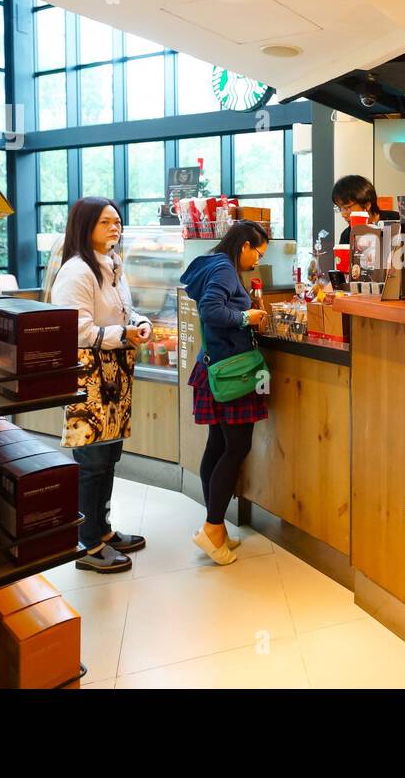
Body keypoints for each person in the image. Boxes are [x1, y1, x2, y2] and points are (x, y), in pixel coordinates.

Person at [50, 197, 150, 574]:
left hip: (115, 372)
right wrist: (124, 333)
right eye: (106, 222)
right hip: (89, 374)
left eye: (117, 222)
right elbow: (76, 331)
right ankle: (87, 544)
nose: (115, 228)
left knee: (108, 457)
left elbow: (124, 309)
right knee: (92, 462)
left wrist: (139, 322)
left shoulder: (111, 266)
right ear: (85, 226)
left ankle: (102, 531)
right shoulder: (77, 272)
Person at [179, 221, 271, 565]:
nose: (256, 262)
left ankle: (214, 526)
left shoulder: (212, 263)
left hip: (214, 368)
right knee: (236, 448)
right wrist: (246, 317)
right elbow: (211, 310)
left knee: (218, 446)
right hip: (232, 372)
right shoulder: (224, 268)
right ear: (244, 245)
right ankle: (213, 526)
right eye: (257, 253)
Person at [332, 174, 400, 246]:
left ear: (367, 205)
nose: (343, 215)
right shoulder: (347, 235)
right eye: (340, 208)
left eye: (347, 208)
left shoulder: (396, 220)